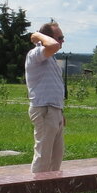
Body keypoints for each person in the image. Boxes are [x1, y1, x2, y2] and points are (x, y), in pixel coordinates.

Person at [25, 22, 66, 173]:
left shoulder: (51, 58)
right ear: (47, 38)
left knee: (56, 157)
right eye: (60, 37)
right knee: (43, 156)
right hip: (44, 110)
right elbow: (53, 46)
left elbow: (53, 87)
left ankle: (51, 189)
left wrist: (61, 112)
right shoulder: (35, 54)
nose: (62, 41)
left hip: (54, 110)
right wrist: (37, 36)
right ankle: (35, 190)